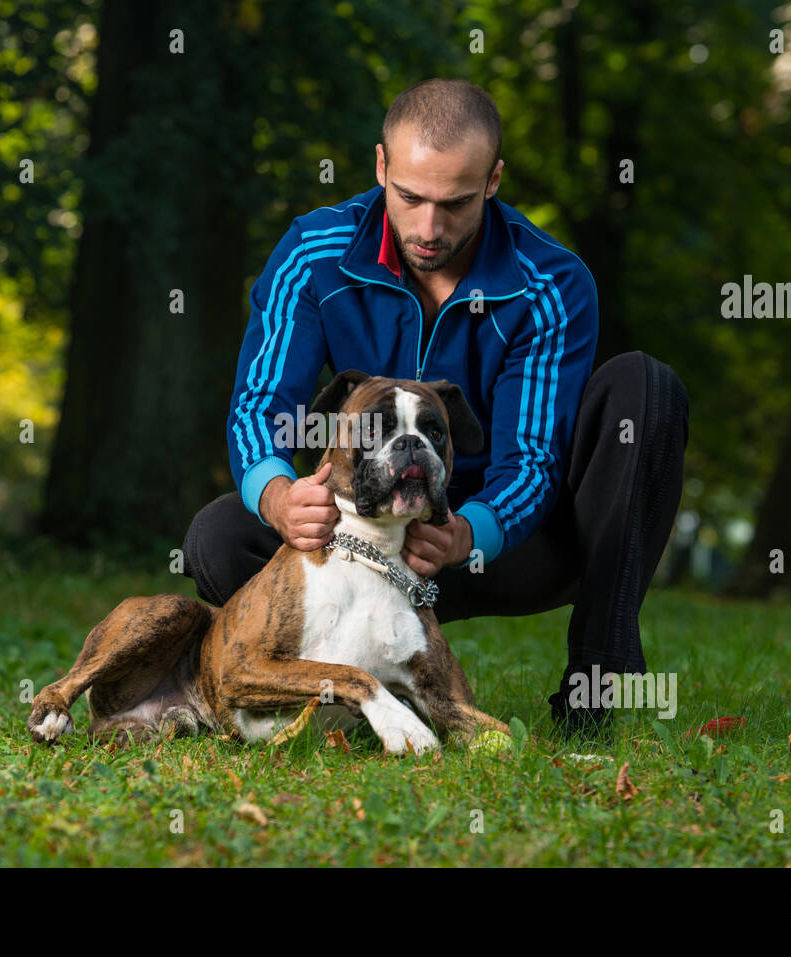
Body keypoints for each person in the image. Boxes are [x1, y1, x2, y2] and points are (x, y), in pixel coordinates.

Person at [183, 78, 689, 735]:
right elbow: (261, 403)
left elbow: (532, 460)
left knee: (644, 386)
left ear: (494, 180)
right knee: (218, 537)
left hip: (493, 544)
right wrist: (278, 494)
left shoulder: (553, 281)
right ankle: (332, 688)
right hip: (354, 546)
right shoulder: (314, 251)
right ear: (380, 167)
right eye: (411, 197)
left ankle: (598, 681)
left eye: (456, 203)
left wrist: (464, 534)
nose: (429, 227)